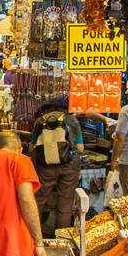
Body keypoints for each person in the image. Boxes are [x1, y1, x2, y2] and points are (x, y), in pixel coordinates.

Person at [30, 96, 85, 232]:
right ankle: (62, 239)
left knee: (39, 200)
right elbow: (80, 147)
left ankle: (32, 235)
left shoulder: (40, 121)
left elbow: (32, 147)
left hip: (45, 167)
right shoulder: (72, 120)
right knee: (65, 203)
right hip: (70, 167)